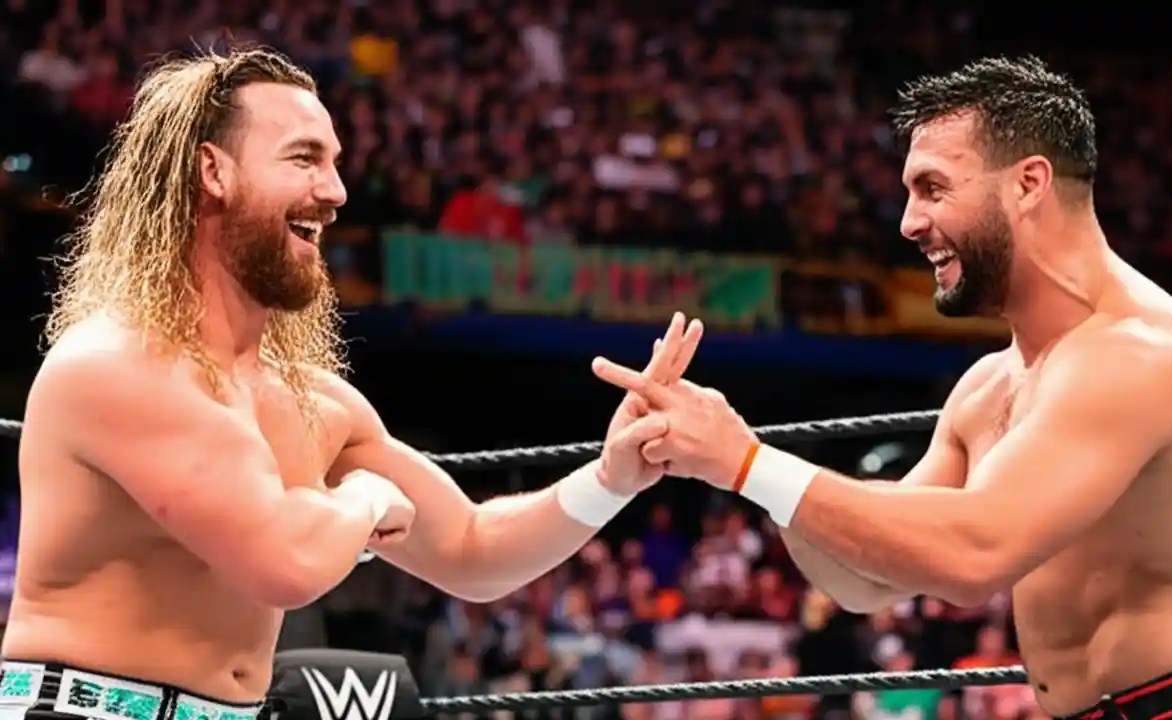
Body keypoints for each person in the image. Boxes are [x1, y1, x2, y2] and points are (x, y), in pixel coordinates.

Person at [0, 46, 701, 718]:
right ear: (213, 172)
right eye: (304, 158)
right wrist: (364, 499)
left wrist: (610, 479)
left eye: (335, 164)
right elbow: (282, 561)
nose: (334, 193)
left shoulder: (314, 402)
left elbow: (472, 550)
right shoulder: (117, 366)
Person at [591, 56, 1172, 719]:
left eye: (933, 187)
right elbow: (863, 579)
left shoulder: (1136, 353)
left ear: (1029, 183)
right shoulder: (988, 389)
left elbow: (975, 553)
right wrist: (741, 468)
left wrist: (745, 459)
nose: (909, 222)